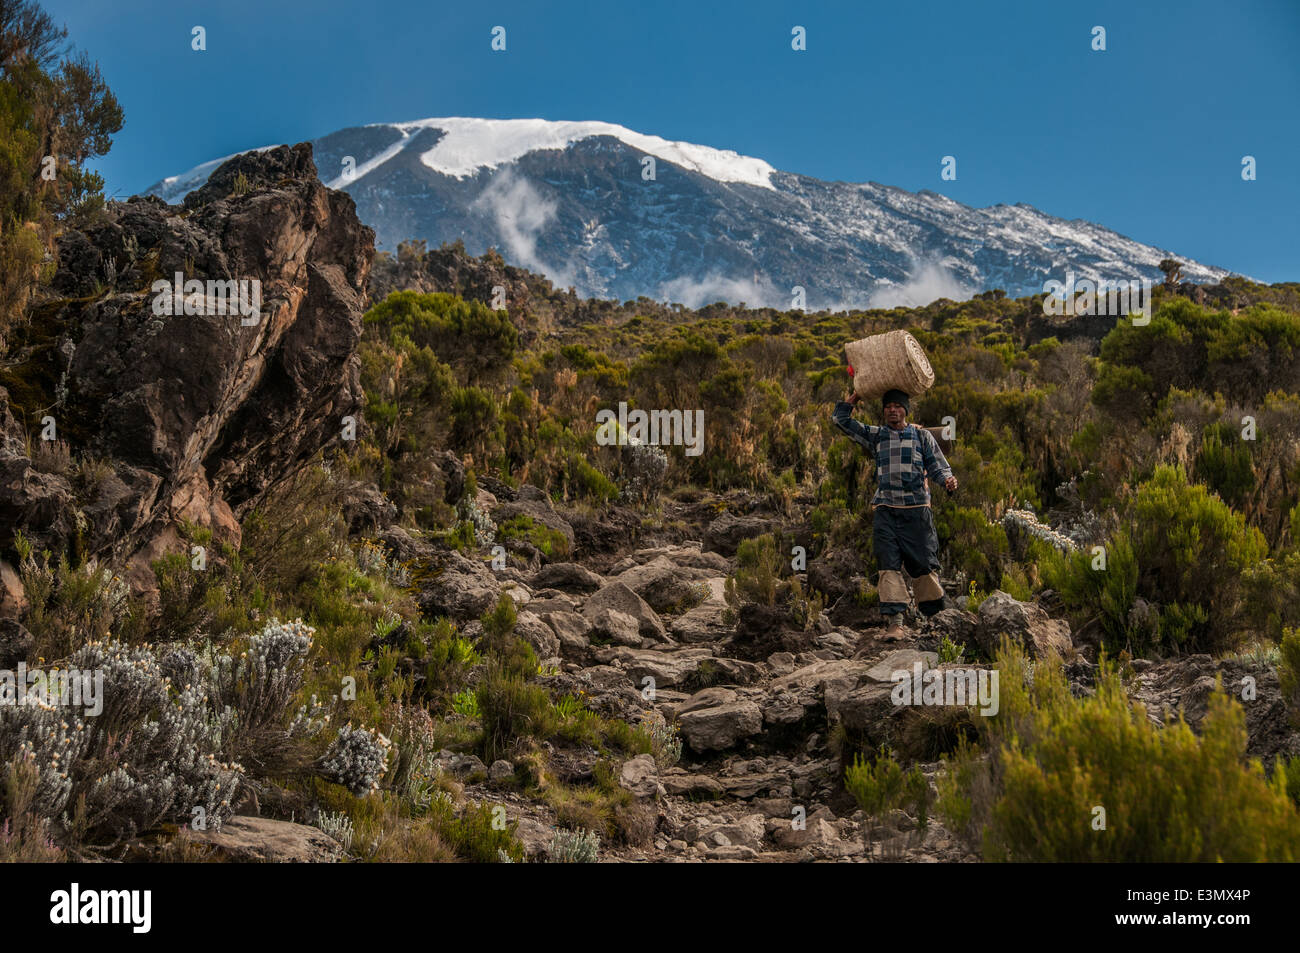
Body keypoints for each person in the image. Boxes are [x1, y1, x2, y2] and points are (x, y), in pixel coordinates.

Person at [832, 382, 958, 632]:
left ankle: (935, 622)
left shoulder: (921, 436)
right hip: (886, 510)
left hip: (917, 511)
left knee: (924, 566)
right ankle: (895, 624)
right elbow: (840, 420)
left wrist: (947, 480)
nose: (892, 411)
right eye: (888, 406)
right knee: (888, 564)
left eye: (897, 406)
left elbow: (937, 466)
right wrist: (857, 394)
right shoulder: (877, 435)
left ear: (905, 411)